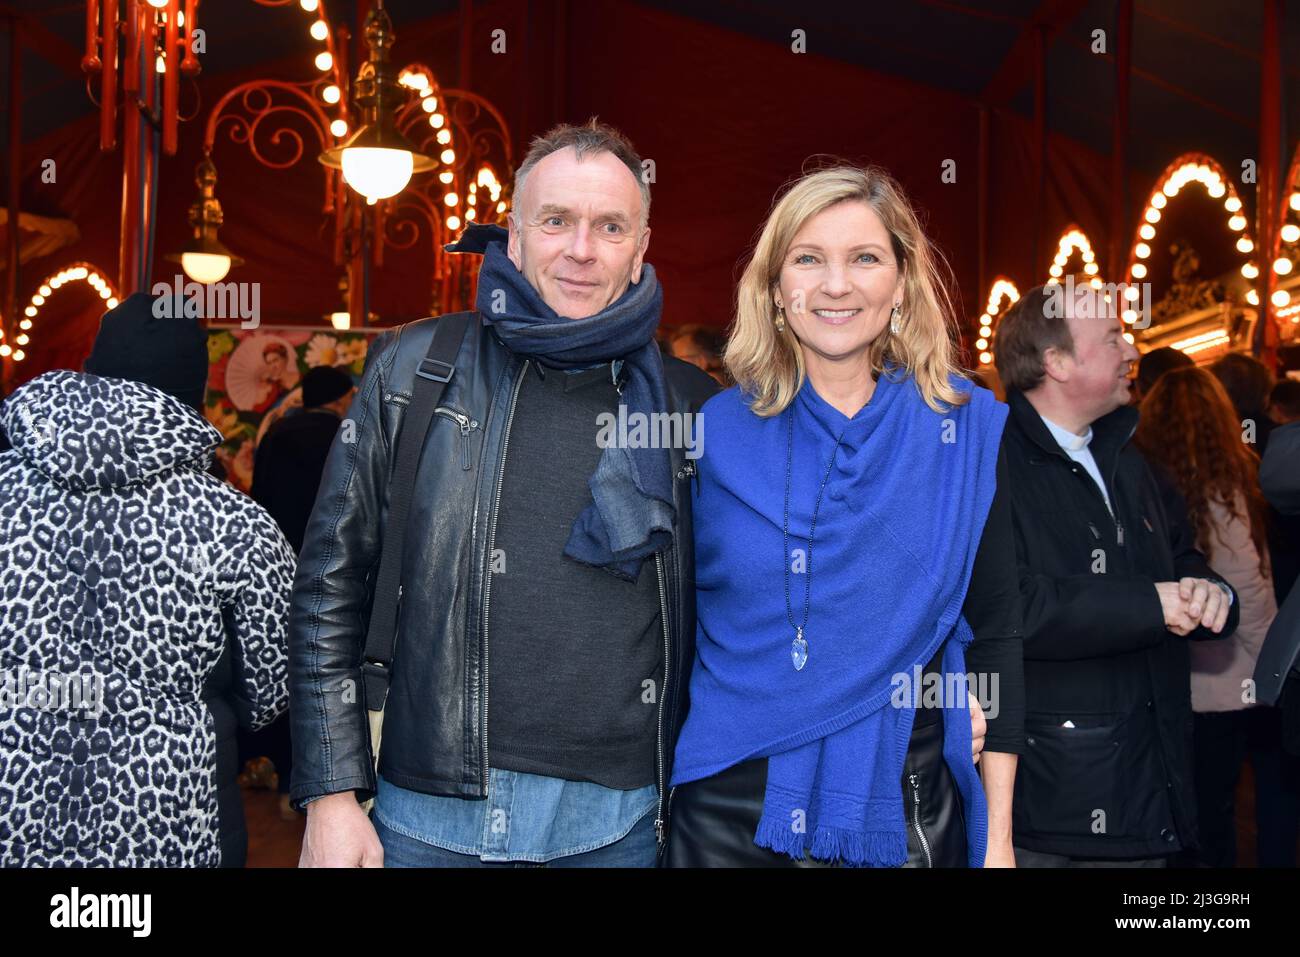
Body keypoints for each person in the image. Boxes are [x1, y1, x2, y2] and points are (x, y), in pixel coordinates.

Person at [289, 120, 718, 868]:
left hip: (619, 825)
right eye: (555, 221)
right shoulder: (415, 367)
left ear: (640, 248)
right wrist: (330, 793)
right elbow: (330, 585)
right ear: (513, 237)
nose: (581, 248)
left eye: (610, 226)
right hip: (422, 818)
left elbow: (740, 605)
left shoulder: (689, 404)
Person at [663, 165, 1024, 868]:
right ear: (774, 288)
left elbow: (998, 631)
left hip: (903, 801)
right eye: (808, 259)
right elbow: (665, 626)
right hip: (729, 801)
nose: (836, 284)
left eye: (864, 258)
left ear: (902, 283)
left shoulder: (961, 431)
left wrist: (1000, 841)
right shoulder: (707, 435)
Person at [0, 293, 296, 866]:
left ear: (90, 371)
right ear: (194, 392)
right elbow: (270, 689)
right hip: (167, 818)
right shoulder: (236, 524)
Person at [994, 282, 1238, 868]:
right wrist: (1153, 605)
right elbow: (1011, 607)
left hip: (1148, 789)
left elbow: (1180, 557)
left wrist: (1210, 592)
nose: (1132, 351)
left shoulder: (1127, 455)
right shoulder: (994, 463)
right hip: (1057, 806)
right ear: (1056, 362)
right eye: (1113, 338)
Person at [1134, 367, 1277, 867]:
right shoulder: (1235, 483)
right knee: (1219, 813)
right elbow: (1252, 590)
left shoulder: (1149, 487)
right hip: (1235, 679)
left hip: (1181, 684)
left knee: (1184, 812)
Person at [243, 364, 356, 820]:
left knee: (277, 663)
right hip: (331, 567)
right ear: (340, 398)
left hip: (276, 566)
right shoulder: (345, 435)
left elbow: (258, 498)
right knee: (325, 665)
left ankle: (278, 764)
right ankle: (321, 779)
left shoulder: (275, 435)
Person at [251, 364, 357, 554]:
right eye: (350, 397)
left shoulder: (277, 431)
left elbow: (259, 486)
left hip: (276, 538)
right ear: (338, 400)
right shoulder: (345, 435)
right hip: (325, 541)